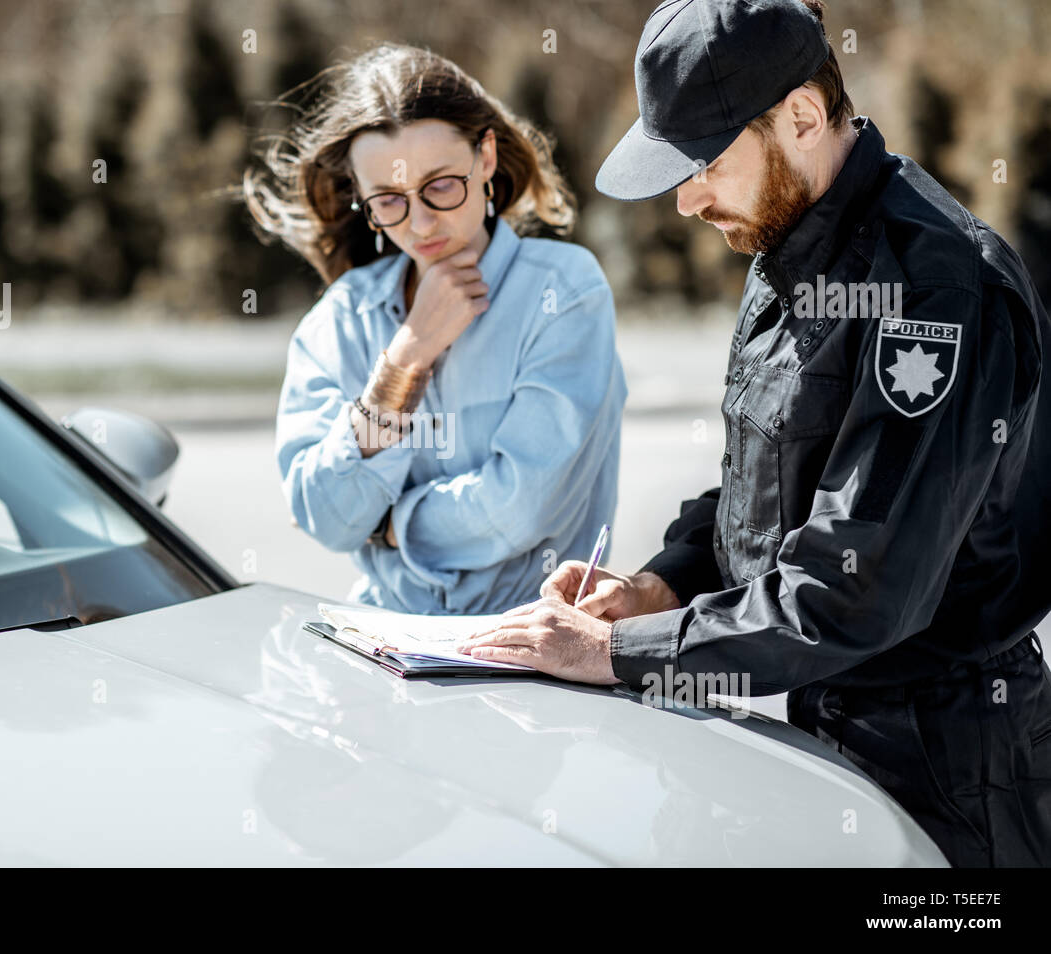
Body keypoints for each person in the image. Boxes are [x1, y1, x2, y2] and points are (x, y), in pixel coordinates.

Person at [458, 0, 1051, 867]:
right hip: (816, 733)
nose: (686, 199)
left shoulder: (935, 292)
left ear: (802, 116)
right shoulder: (792, 237)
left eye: (701, 161)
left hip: (946, 775)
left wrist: (619, 653)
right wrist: (660, 586)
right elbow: (765, 476)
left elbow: (852, 586)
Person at [245, 44, 626, 615]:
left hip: (530, 656)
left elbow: (521, 508)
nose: (420, 223)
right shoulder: (342, 317)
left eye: (441, 185)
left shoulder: (565, 292)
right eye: (389, 201)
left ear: (487, 158)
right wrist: (401, 366)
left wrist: (391, 525)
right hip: (379, 645)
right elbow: (324, 517)